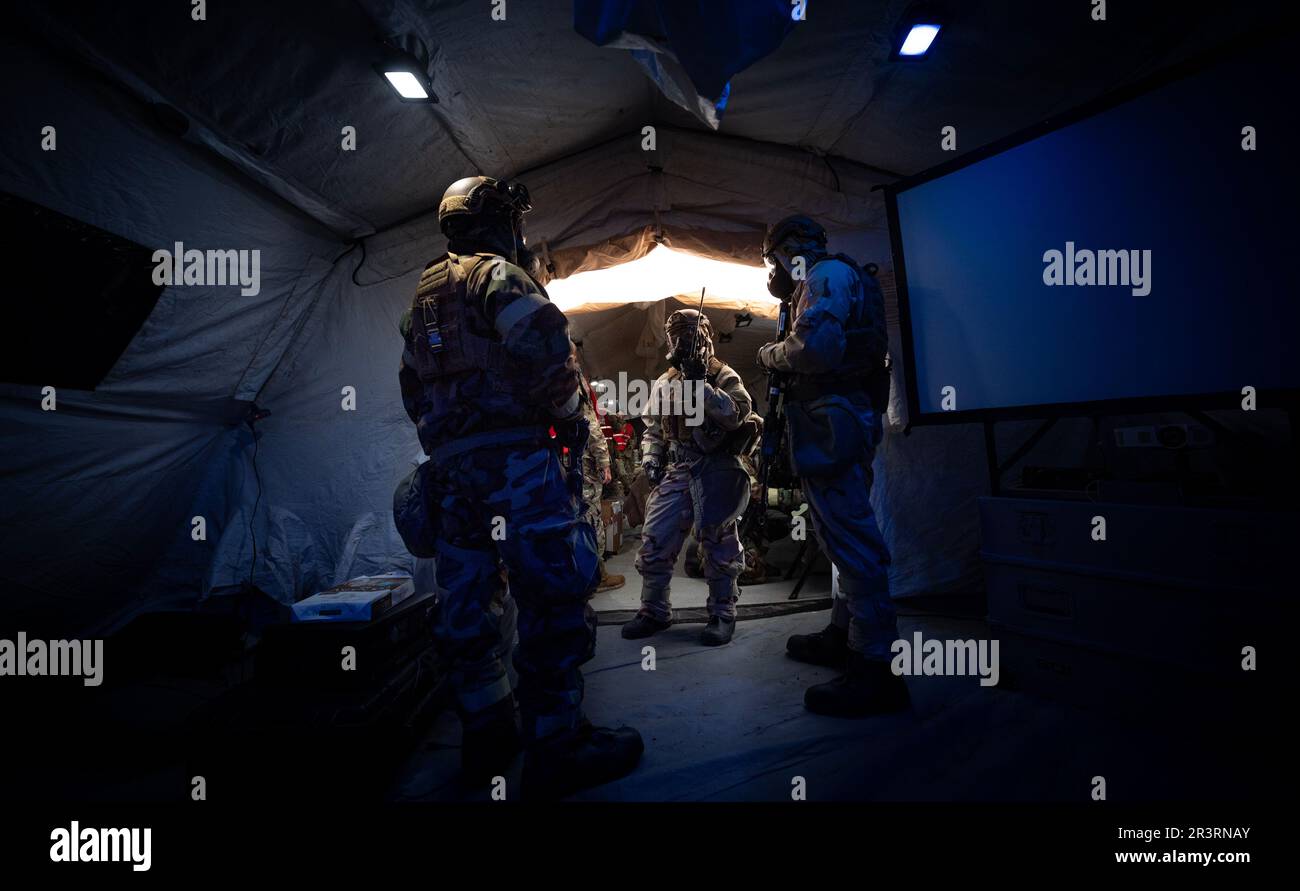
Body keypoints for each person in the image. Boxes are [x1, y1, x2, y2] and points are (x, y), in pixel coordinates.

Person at [397, 175, 642, 796]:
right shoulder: (498, 277)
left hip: (453, 474)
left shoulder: (423, 296)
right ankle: (557, 745)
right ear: (503, 222)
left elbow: (411, 387)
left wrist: (449, 443)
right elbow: (546, 354)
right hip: (517, 468)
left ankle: (487, 732)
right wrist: (568, 425)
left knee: (468, 602)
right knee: (553, 596)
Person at [756, 214, 910, 717]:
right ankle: (845, 634)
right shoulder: (823, 279)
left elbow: (815, 351)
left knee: (854, 539)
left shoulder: (824, 276)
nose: (772, 270)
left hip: (834, 417)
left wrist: (771, 354)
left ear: (786, 250)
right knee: (838, 536)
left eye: (771, 259)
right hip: (832, 418)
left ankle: (875, 667)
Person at [621, 308, 759, 645]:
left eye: (691, 333)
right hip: (678, 469)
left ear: (706, 335)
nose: (684, 341)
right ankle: (654, 610)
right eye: (677, 335)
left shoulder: (723, 375)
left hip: (716, 468)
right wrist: (651, 461)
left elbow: (735, 416)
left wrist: (702, 386)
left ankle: (722, 614)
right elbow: (653, 428)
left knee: (719, 544)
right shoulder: (666, 382)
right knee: (655, 539)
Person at [579, 372, 625, 593]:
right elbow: (590, 424)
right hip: (582, 466)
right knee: (591, 518)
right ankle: (596, 576)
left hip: (553, 462)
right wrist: (604, 462)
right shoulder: (572, 378)